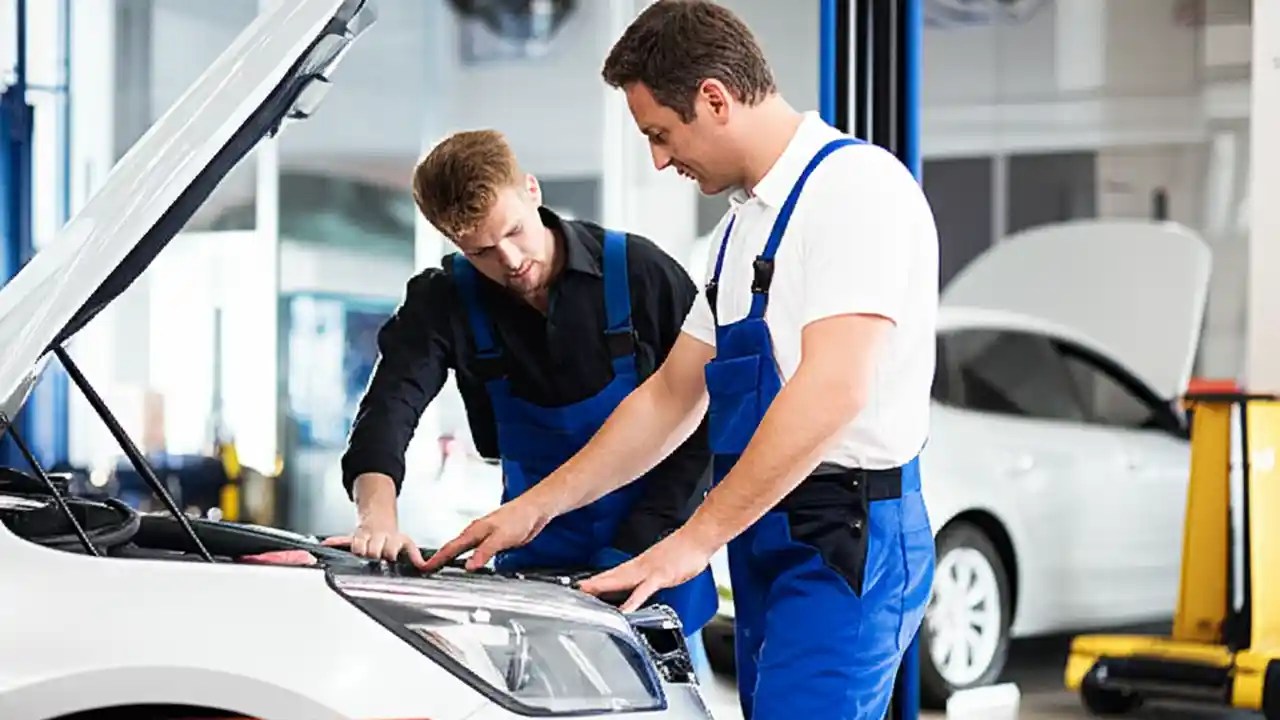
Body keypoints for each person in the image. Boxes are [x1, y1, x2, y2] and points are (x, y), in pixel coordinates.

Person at [423, 2, 940, 718]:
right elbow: (670, 397)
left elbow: (834, 389)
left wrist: (692, 540)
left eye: (660, 135)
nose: (660, 160)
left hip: (847, 537)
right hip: (764, 530)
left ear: (715, 99)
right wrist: (533, 510)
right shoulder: (737, 233)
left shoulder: (856, 191)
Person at [327, 128, 719, 641]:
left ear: (531, 190)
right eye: (482, 251)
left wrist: (632, 549)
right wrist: (376, 519)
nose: (509, 262)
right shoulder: (444, 301)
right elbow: (386, 411)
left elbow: (706, 418)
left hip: (654, 567)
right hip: (530, 576)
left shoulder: (641, 273)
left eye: (514, 232)